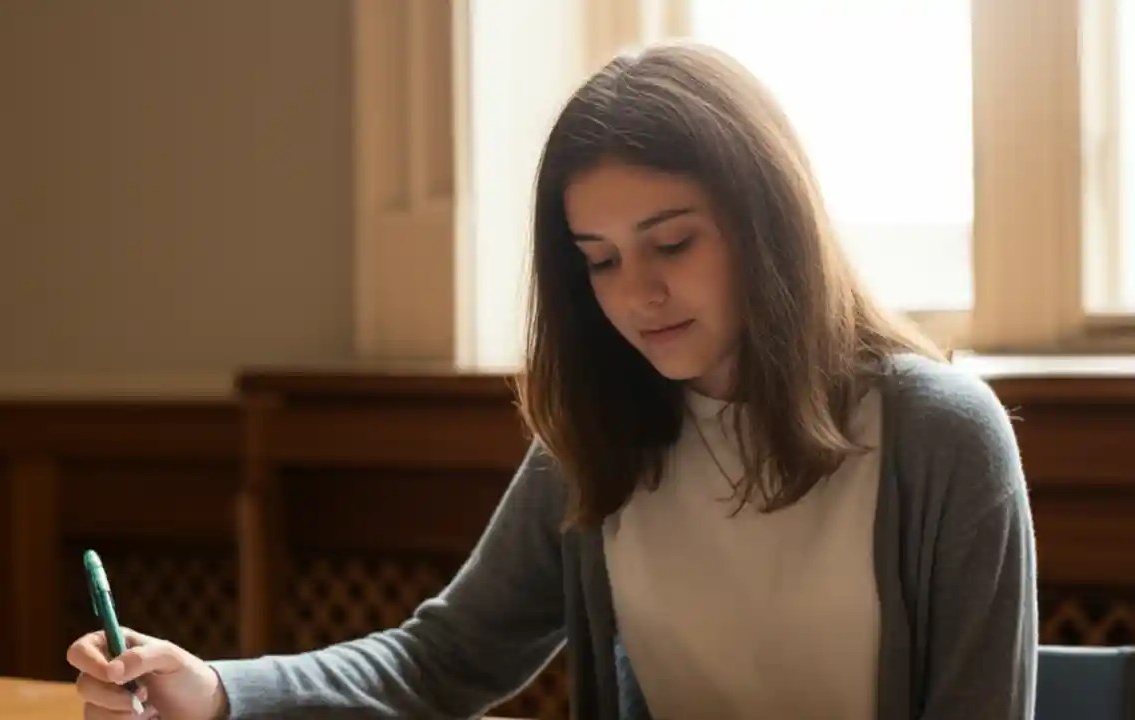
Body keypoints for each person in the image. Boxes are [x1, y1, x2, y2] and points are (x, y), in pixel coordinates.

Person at [67, 42, 1037, 720]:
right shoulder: (598, 439)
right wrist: (219, 692)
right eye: (598, 259)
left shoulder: (937, 435)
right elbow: (440, 663)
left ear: (766, 220)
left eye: (670, 242)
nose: (638, 292)